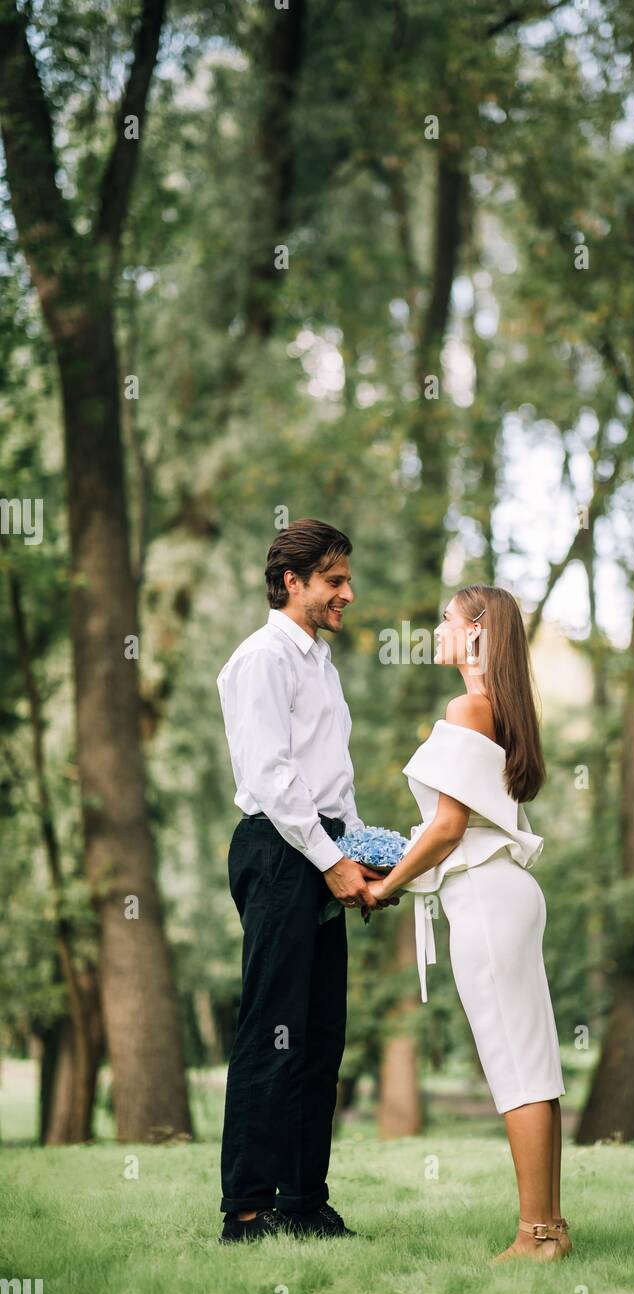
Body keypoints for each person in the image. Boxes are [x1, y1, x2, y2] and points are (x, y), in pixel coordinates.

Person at [368, 584, 571, 1263]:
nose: (435, 629)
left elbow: (448, 828)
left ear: (478, 631)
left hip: (485, 898)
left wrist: (385, 887)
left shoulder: (468, 705)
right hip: (506, 894)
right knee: (534, 1066)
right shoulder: (502, 710)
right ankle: (550, 1227)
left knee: (516, 1067)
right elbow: (453, 825)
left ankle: (535, 1235)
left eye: (445, 619)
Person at [216, 518, 394, 1243]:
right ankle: (247, 1210)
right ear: (293, 582)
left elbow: (330, 778)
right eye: (335, 581)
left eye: (346, 580)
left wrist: (361, 853)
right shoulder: (262, 659)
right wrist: (330, 860)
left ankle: (303, 1199)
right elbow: (274, 778)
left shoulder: (320, 662)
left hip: (320, 847)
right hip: (279, 852)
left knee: (319, 1033)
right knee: (271, 1030)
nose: (347, 594)